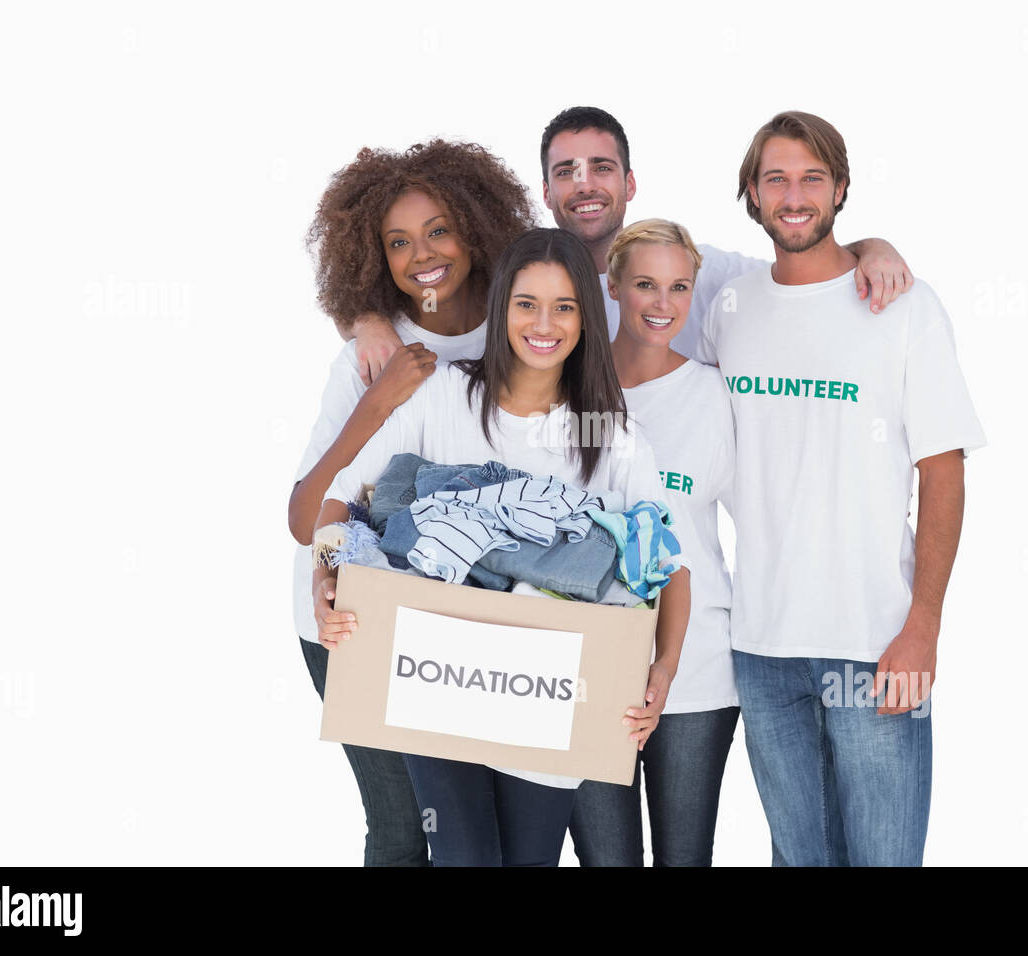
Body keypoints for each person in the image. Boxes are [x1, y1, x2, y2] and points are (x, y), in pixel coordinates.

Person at [311, 227, 695, 867]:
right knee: (465, 858)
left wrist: (663, 669)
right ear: (501, 309)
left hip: (549, 699)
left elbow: (667, 565)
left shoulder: (607, 432)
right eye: (526, 303)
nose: (544, 324)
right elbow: (339, 500)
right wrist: (324, 581)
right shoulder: (442, 397)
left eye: (564, 307)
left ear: (585, 318)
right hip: (437, 679)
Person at [696, 111, 987, 866]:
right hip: (760, 648)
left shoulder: (903, 307)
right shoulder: (725, 306)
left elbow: (943, 471)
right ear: (751, 195)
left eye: (811, 178)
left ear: (841, 188)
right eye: (776, 179)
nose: (794, 196)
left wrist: (922, 622)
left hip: (875, 643)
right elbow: (629, 296)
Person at [287, 138, 535, 865]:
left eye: (438, 230)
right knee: (402, 828)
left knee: (471, 833)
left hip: (466, 624)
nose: (421, 254)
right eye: (397, 242)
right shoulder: (368, 352)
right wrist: (381, 396)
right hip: (351, 617)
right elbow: (305, 519)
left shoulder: (524, 329)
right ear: (374, 256)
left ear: (476, 227)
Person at [348, 107, 915, 382]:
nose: (585, 184)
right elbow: (422, 285)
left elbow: (798, 266)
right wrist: (367, 320)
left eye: (602, 167)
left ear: (630, 183)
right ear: (546, 192)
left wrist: (870, 246)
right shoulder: (518, 277)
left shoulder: (697, 269)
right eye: (566, 171)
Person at [567, 219, 738, 866]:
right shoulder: (566, 385)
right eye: (644, 284)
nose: (662, 304)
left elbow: (765, 517)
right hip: (588, 666)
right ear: (611, 286)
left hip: (695, 669)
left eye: (678, 287)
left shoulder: (714, 395)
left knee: (684, 859)